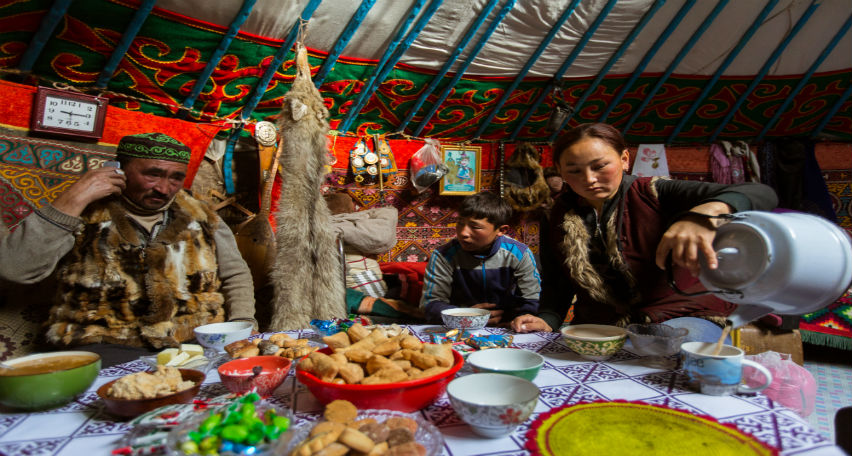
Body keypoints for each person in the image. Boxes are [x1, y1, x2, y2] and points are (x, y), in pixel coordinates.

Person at [0, 133, 256, 362]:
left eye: (176, 178)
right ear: (119, 171)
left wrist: (243, 324)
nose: (164, 188)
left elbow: (235, 273)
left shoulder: (201, 216)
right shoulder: (84, 214)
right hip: (103, 347)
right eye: (152, 174)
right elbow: (15, 269)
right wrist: (74, 198)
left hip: (192, 343)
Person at [510, 123, 778, 334]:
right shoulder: (558, 213)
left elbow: (759, 193)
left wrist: (702, 214)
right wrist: (546, 319)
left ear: (625, 159)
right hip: (600, 325)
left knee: (664, 350)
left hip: (680, 315)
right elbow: (557, 281)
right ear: (560, 170)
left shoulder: (655, 192)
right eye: (574, 171)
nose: (589, 179)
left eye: (600, 166)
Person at [420, 191, 541, 325]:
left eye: (475, 226)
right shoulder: (444, 255)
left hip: (508, 325)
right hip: (459, 326)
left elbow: (531, 301)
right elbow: (430, 305)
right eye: (460, 223)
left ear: (501, 230)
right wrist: (465, 315)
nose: (463, 233)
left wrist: (514, 318)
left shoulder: (519, 254)